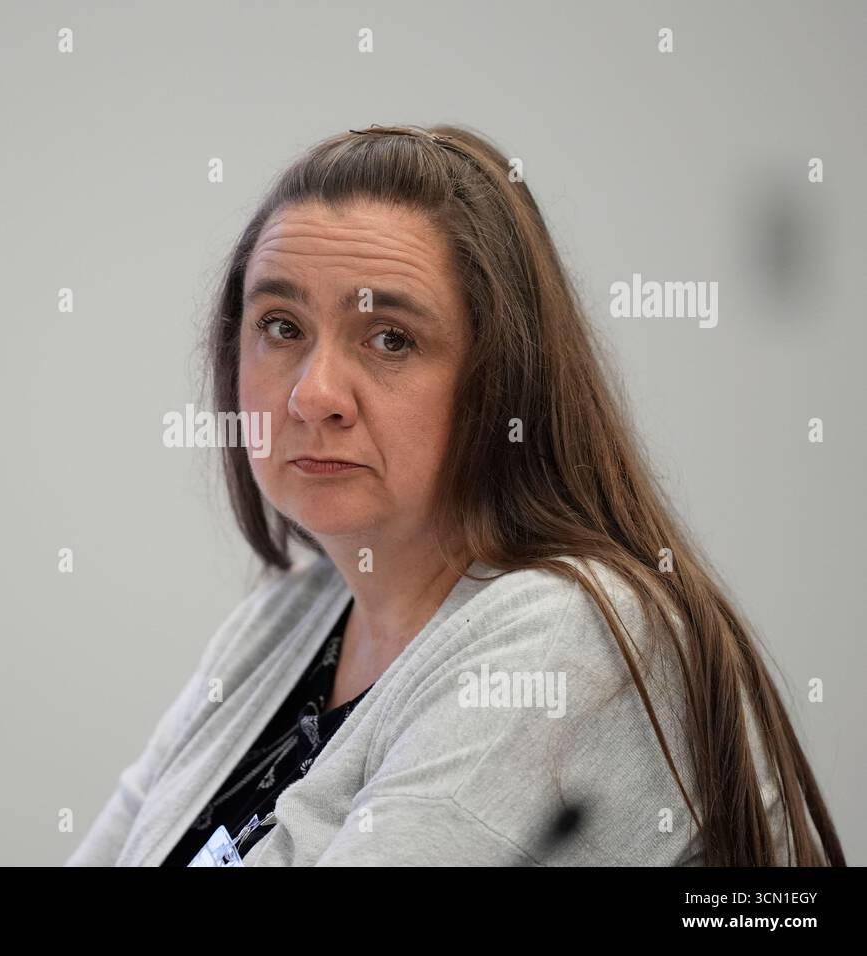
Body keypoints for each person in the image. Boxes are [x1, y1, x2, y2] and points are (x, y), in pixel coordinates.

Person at [65, 124, 844, 866]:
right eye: (281, 325)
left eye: (390, 338)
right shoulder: (285, 620)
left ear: (502, 383)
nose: (313, 395)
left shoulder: (572, 645)